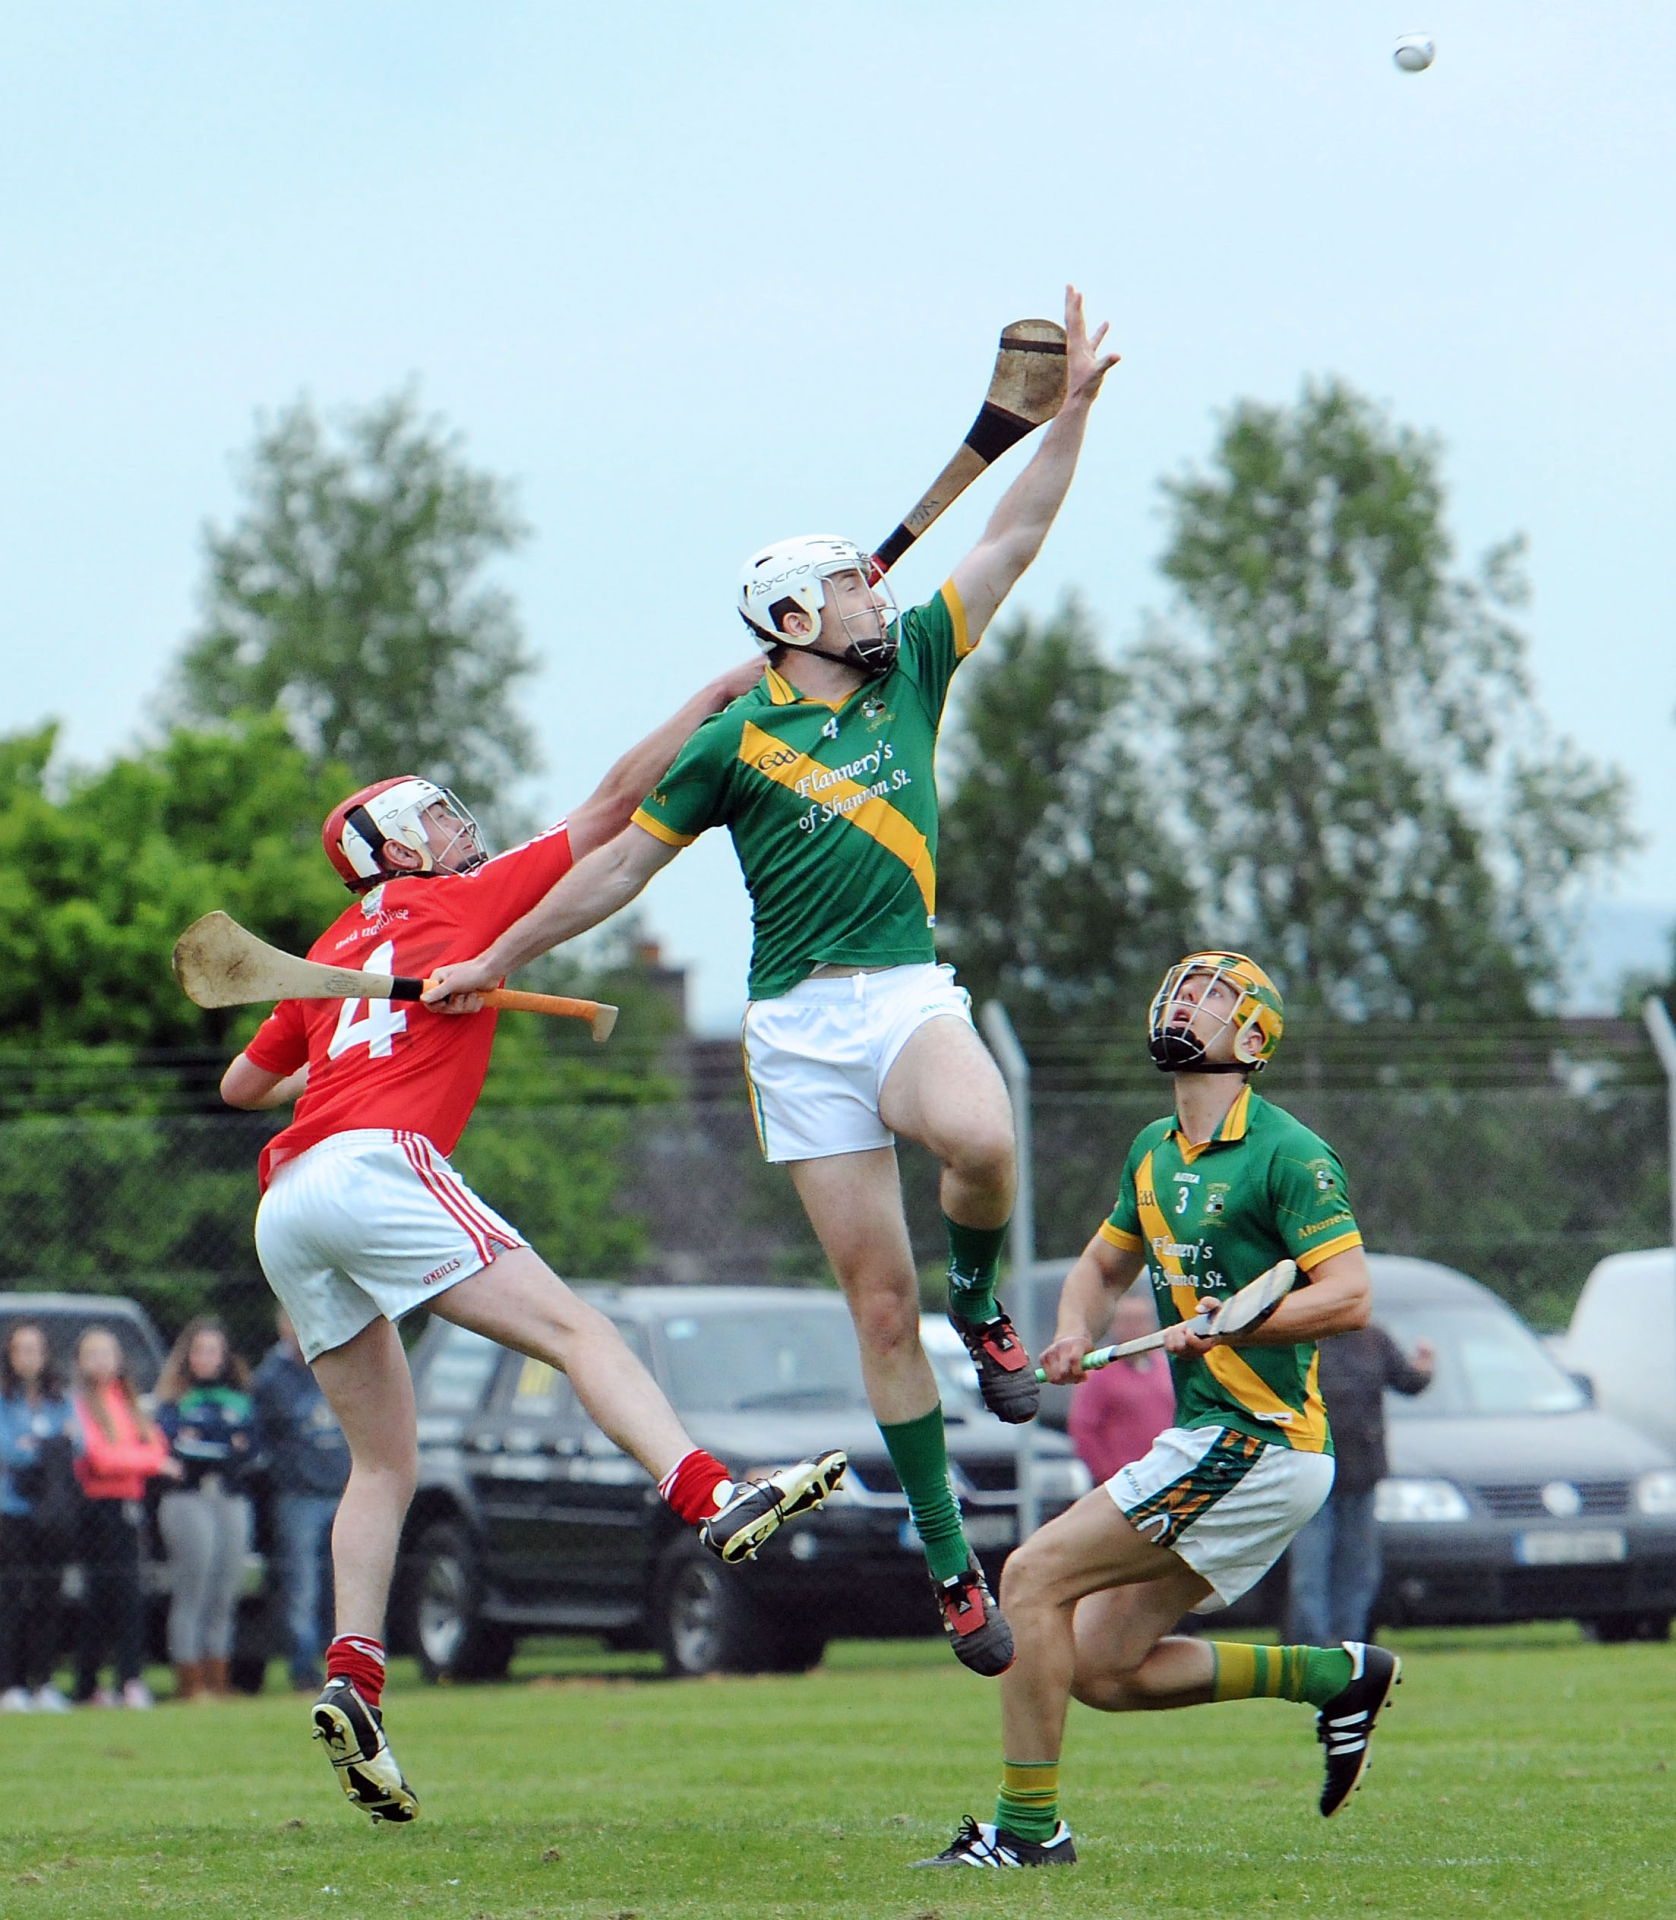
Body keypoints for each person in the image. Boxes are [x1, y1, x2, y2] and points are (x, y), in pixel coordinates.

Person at [425, 286, 1120, 1677]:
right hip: (800, 1031)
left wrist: (1076, 421)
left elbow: (1018, 531)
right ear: (798, 614)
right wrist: (500, 952)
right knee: (874, 1303)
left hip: (905, 989)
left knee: (980, 1139)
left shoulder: (915, 665)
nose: (886, 591)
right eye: (859, 583)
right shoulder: (733, 744)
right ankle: (947, 1567)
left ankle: (980, 1303)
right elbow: (621, 869)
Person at [218, 663, 846, 1824]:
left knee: (381, 1463)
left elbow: (243, 1084)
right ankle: (711, 1495)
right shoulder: (457, 903)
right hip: (375, 1167)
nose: (459, 827)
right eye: (436, 817)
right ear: (396, 848)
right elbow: (612, 804)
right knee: (578, 1330)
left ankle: (353, 1677)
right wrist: (705, 702)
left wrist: (351, 1045)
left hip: (290, 1199)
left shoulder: (328, 947)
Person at [918, 953, 1397, 1871]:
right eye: (1181, 988)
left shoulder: (1290, 1155)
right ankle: (1337, 1675)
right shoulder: (1152, 1150)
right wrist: (1069, 1332)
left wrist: (1224, 1330)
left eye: (1212, 997)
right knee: (1101, 1668)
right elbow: (1103, 1266)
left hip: (1257, 1442)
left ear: (1252, 1040)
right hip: (1212, 1439)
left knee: (1031, 1578)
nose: (1185, 1003)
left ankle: (1027, 1834)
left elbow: (1350, 1297)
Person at [1286, 1322, 1434, 1648]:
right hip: (1312, 1478)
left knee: (1358, 1572)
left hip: (1362, 1477)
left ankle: (1348, 1646)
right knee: (1311, 1575)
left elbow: (1406, 1381)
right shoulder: (1300, 1339)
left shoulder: (1374, 1339)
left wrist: (1423, 1370)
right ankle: (1314, 1647)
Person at [71, 1326, 179, 1709]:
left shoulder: (127, 1401)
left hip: (129, 1509)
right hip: (97, 1510)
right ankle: (87, 1686)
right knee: (98, 1598)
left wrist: (141, 1459)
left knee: (131, 1597)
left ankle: (129, 1680)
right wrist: (150, 1463)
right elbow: (100, 1459)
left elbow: (158, 1445)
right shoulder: (81, 1404)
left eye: (108, 1353)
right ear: (81, 1362)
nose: (102, 1361)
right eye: (93, 1354)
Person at [154, 1319, 261, 1701]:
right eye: (198, 1350)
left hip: (229, 1497)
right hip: (187, 1499)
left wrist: (209, 1445)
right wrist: (221, 1445)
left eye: (213, 1350)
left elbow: (248, 1450)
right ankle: (191, 1681)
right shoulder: (172, 1401)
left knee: (225, 1588)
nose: (206, 1358)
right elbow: (175, 1450)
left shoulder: (240, 1399)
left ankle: (219, 1679)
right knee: (193, 1587)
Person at [251, 1308, 351, 1693]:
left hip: (342, 1493)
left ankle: (347, 1670)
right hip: (299, 1498)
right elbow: (262, 1443)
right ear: (282, 1326)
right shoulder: (271, 1378)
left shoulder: (337, 1364)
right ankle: (303, 1670)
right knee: (302, 1589)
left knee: (343, 1587)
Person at [0, 1323, 82, 1713]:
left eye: (36, 1349)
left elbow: (77, 1443)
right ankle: (10, 1684)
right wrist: (50, 1446)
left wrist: (38, 1447)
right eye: (21, 1349)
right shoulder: (4, 1399)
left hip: (52, 1513)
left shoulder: (59, 1399)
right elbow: (8, 1450)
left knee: (49, 1596)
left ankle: (44, 1681)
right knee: (12, 1596)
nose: (29, 1357)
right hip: (11, 1509)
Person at [1066, 1284, 1175, 1484]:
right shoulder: (1099, 1372)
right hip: (1123, 1483)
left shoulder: (1166, 1367)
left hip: (1166, 1478)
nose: (1135, 1329)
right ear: (1114, 1325)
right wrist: (1109, 1476)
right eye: (1128, 1321)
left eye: (1141, 1321)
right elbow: (1083, 1429)